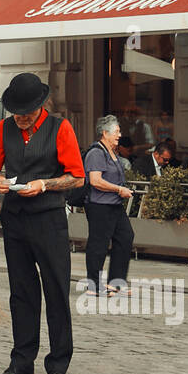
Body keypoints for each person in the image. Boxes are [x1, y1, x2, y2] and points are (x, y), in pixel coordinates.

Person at [0, 72, 85, 374]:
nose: (22, 119)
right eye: (18, 113)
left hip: (49, 219)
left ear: (40, 106)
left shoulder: (60, 128)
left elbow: (77, 177)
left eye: (27, 113)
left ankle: (58, 365)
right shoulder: (3, 128)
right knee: (22, 294)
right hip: (15, 218)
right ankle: (21, 363)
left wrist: (45, 184)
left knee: (56, 291)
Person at [83, 115, 135, 296]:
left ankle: (116, 283)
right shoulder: (96, 153)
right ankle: (93, 285)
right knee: (99, 244)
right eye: (116, 131)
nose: (119, 135)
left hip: (114, 205)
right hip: (99, 205)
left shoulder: (113, 152)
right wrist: (119, 189)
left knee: (126, 237)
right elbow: (95, 181)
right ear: (105, 133)